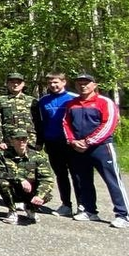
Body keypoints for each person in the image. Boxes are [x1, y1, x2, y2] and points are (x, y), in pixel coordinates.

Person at [63, 73, 129, 229]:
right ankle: (89, 210)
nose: (83, 85)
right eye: (79, 83)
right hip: (78, 148)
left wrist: (88, 141)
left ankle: (123, 214)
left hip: (102, 148)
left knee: (113, 181)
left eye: (86, 83)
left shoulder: (104, 102)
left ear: (94, 85)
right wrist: (73, 141)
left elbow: (108, 125)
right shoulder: (72, 104)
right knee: (83, 180)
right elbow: (66, 123)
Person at [34, 70, 78, 216]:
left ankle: (83, 206)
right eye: (50, 83)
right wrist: (41, 141)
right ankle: (66, 205)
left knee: (76, 175)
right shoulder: (43, 101)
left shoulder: (74, 99)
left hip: (71, 144)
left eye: (56, 82)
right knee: (61, 175)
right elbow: (40, 123)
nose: (53, 85)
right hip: (52, 143)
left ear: (63, 82)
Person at [0, 129, 54, 225]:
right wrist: (21, 179)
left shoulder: (37, 157)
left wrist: (39, 195)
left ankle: (30, 208)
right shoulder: (3, 155)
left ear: (27, 140)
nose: (21, 142)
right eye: (18, 139)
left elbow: (47, 179)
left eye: (24, 139)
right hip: (13, 190)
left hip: (30, 191)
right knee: (1, 183)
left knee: (46, 194)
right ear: (11, 141)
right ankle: (12, 211)